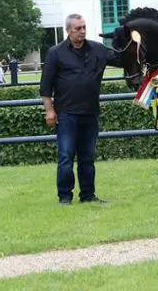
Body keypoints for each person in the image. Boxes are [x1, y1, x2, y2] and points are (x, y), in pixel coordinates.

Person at [40, 13, 123, 205]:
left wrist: (126, 39)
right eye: (78, 28)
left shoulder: (98, 49)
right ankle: (65, 197)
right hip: (66, 114)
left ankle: (88, 195)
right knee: (65, 156)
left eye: (84, 27)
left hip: (90, 112)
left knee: (87, 157)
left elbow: (120, 59)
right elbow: (46, 86)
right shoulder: (55, 53)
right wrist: (50, 111)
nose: (82, 31)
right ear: (68, 30)